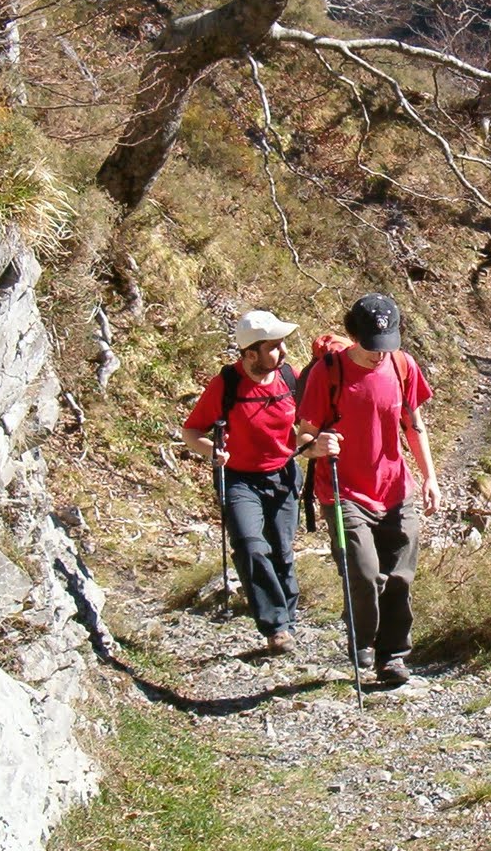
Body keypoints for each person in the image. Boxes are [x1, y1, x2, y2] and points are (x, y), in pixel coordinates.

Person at [296, 293, 440, 686]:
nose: (380, 355)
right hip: (343, 491)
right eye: (372, 347)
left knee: (398, 577)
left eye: (387, 345)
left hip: (395, 487)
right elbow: (304, 437)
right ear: (353, 335)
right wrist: (318, 445)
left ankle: (392, 656)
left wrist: (429, 476)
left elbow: (413, 424)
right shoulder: (328, 373)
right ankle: (362, 638)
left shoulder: (402, 364)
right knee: (363, 573)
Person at [182, 310, 310, 655]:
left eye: (282, 344)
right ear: (250, 353)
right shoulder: (226, 384)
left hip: (282, 475)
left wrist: (311, 441)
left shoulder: (290, 378)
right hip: (239, 479)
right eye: (274, 346)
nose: (282, 351)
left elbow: (308, 422)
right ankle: (276, 628)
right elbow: (192, 430)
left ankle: (288, 620)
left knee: (282, 552)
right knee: (251, 547)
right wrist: (213, 451)